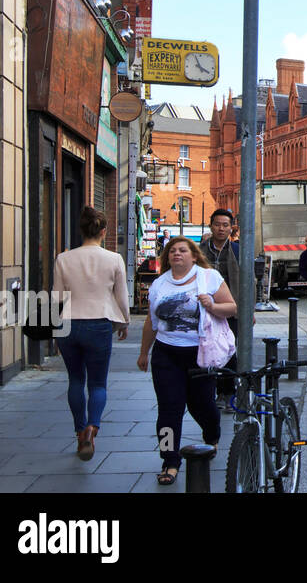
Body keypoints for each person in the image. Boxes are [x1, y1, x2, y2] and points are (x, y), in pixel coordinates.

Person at [138, 236, 235, 485]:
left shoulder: (209, 277)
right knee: (169, 410)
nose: (176, 254)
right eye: (172, 251)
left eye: (183, 250)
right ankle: (169, 460)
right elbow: (151, 321)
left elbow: (232, 308)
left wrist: (212, 305)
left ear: (194, 255)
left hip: (199, 353)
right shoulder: (159, 284)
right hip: (166, 354)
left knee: (202, 405)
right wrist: (143, 352)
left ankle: (212, 436)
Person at [53, 207, 131, 461]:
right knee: (97, 383)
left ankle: (79, 431)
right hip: (99, 323)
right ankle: (92, 428)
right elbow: (121, 295)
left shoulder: (63, 259)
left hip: (68, 324)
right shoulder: (114, 259)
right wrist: (125, 322)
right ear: (104, 231)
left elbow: (57, 298)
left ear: (81, 230)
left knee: (75, 380)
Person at [200, 209, 240, 399]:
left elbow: (248, 281)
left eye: (225, 225)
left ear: (231, 228)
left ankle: (228, 391)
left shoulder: (238, 250)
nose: (221, 228)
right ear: (211, 226)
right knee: (207, 348)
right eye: (217, 224)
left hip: (230, 307)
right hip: (204, 309)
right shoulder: (199, 251)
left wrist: (249, 311)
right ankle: (210, 390)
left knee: (229, 349)